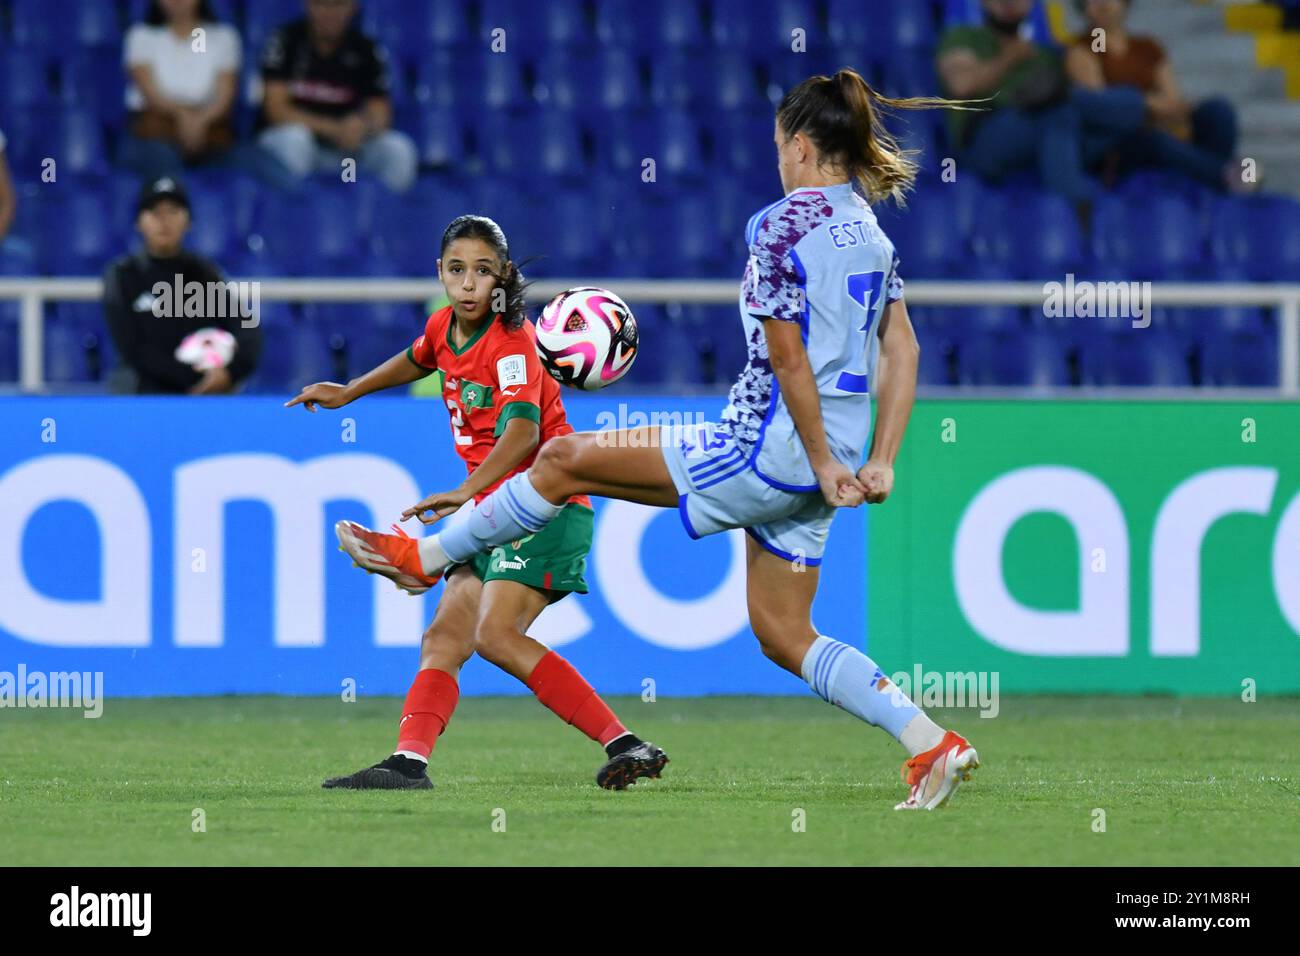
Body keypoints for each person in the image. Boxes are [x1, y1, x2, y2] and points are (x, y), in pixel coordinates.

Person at [336, 71, 982, 811]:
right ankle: (930, 741)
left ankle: (424, 555)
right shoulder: (870, 231)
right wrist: (878, 459)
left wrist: (826, 459)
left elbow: (787, 358)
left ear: (800, 146)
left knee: (560, 458)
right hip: (817, 463)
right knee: (783, 632)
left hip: (768, 447)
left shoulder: (779, 224)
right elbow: (904, 351)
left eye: (778, 146)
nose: (777, 160)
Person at [286, 215, 666, 791]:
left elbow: (521, 433)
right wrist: (349, 392)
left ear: (503, 278)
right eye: (457, 270)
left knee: (495, 635)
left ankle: (625, 743)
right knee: (443, 637)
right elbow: (418, 357)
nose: (468, 284)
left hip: (543, 508)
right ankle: (408, 764)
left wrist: (465, 492)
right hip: (492, 511)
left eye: (482, 272)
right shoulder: (444, 327)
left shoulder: (515, 346)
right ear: (439, 272)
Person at [937, 0, 1146, 204]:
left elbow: (1093, 93)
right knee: (1058, 112)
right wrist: (1010, 57)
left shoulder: (1044, 53)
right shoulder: (965, 37)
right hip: (985, 137)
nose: (1009, 2)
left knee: (1129, 105)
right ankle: (1075, 205)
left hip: (1047, 135)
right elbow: (961, 85)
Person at [103, 177, 262, 394]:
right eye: (154, 212)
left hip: (204, 398)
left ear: (188, 221)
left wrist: (229, 372)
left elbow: (247, 327)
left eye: (173, 211)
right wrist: (197, 377)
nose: (164, 221)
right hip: (145, 399)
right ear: (139, 222)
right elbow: (133, 349)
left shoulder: (205, 273)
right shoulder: (124, 275)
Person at [1066, 0, 1245, 191]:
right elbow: (1106, 109)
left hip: (1161, 124)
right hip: (1122, 139)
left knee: (1218, 111)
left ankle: (1219, 181)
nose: (1102, 4)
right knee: (1153, 141)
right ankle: (1228, 175)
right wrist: (1147, 105)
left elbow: (1174, 101)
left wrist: (1152, 108)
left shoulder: (1147, 47)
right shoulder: (1086, 47)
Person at [257, 0, 416, 193]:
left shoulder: (366, 49)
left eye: (338, 4)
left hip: (347, 154)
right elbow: (276, 111)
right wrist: (333, 129)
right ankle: (293, 215)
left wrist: (362, 126)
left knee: (398, 149)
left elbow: (381, 114)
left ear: (354, 7)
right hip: (302, 147)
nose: (329, 13)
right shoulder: (286, 40)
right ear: (307, 5)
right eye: (322, 4)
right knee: (294, 141)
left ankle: (384, 217)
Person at [119, 0, 241, 181]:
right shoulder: (141, 36)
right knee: (165, 166)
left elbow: (225, 95)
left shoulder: (223, 37)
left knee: (250, 162)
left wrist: (200, 121)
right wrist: (183, 116)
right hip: (155, 132)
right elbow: (150, 94)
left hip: (211, 132)